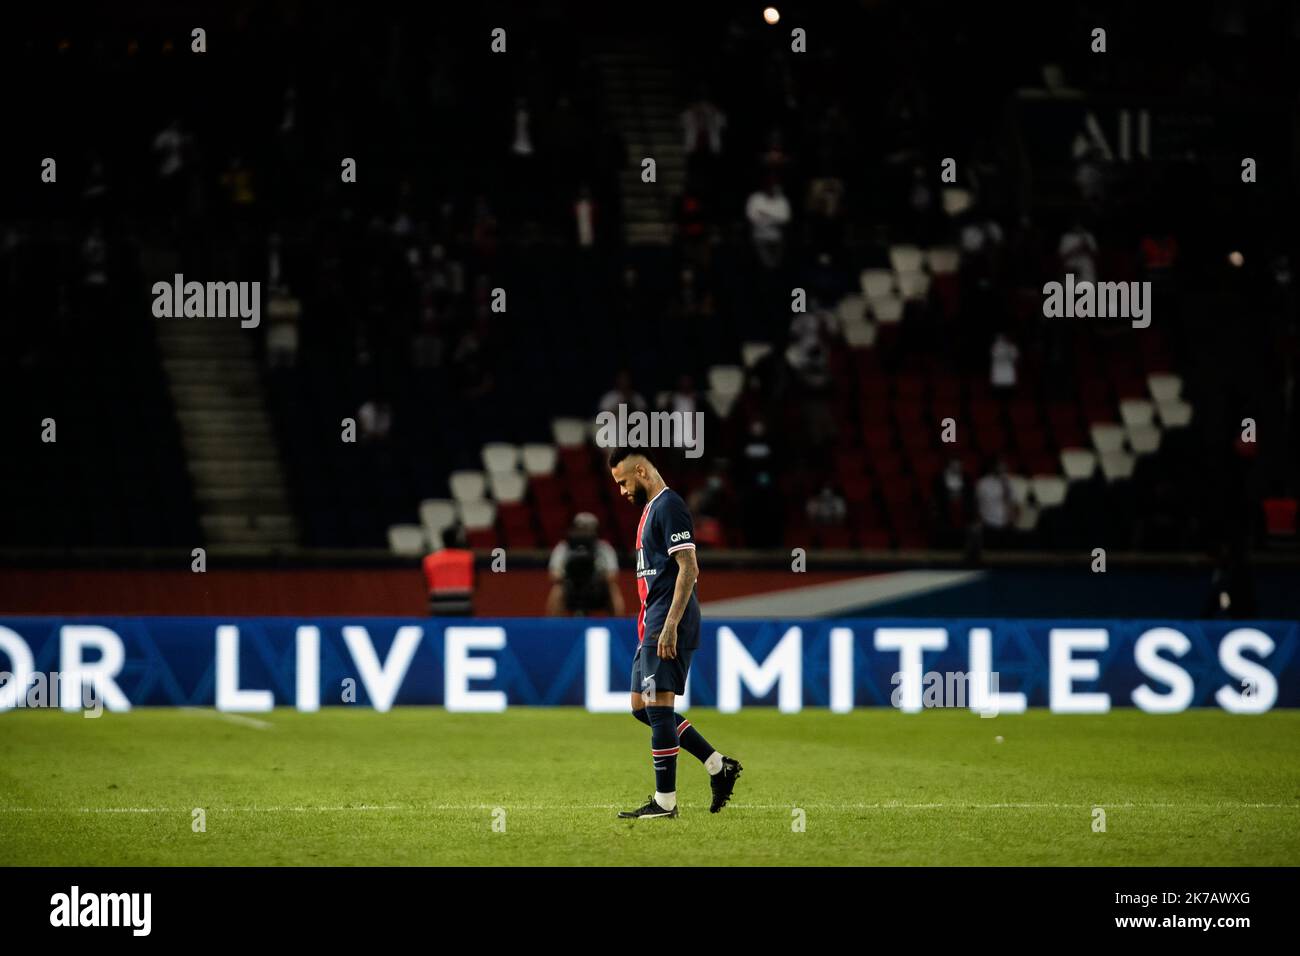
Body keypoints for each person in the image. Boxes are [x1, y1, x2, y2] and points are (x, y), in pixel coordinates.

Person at [607, 448, 742, 818]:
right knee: (641, 707)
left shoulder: (669, 506)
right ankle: (717, 765)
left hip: (669, 624)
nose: (621, 491)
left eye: (623, 483)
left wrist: (669, 625)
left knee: (659, 707)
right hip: (651, 624)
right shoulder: (651, 511)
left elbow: (689, 567)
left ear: (641, 471)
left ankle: (665, 802)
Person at [546, 513, 623, 616]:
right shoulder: (563, 547)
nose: (586, 532)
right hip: (571, 588)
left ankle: (617, 624)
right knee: (558, 589)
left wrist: (600, 577)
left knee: (612, 588)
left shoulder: (604, 548)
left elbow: (613, 574)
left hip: (596, 589)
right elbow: (554, 573)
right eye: (582, 528)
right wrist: (567, 577)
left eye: (589, 528)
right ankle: (553, 627)